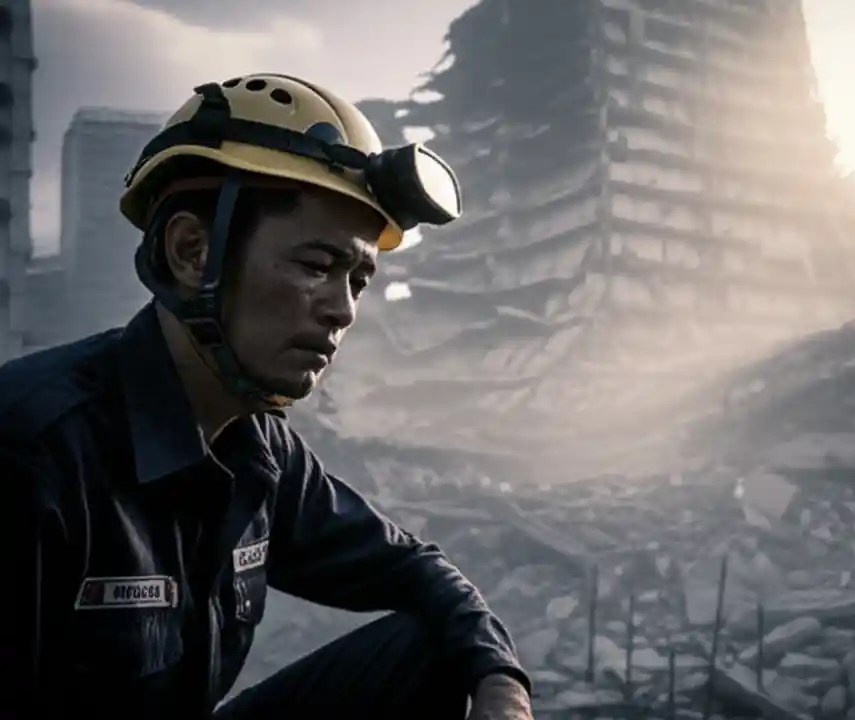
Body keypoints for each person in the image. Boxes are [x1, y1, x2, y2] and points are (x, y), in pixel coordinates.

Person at [0, 74, 534, 719]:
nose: (342, 311)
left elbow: (414, 569)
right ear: (193, 253)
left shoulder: (258, 448)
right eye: (314, 266)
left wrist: (501, 685)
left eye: (358, 279)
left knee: (440, 647)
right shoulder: (34, 451)